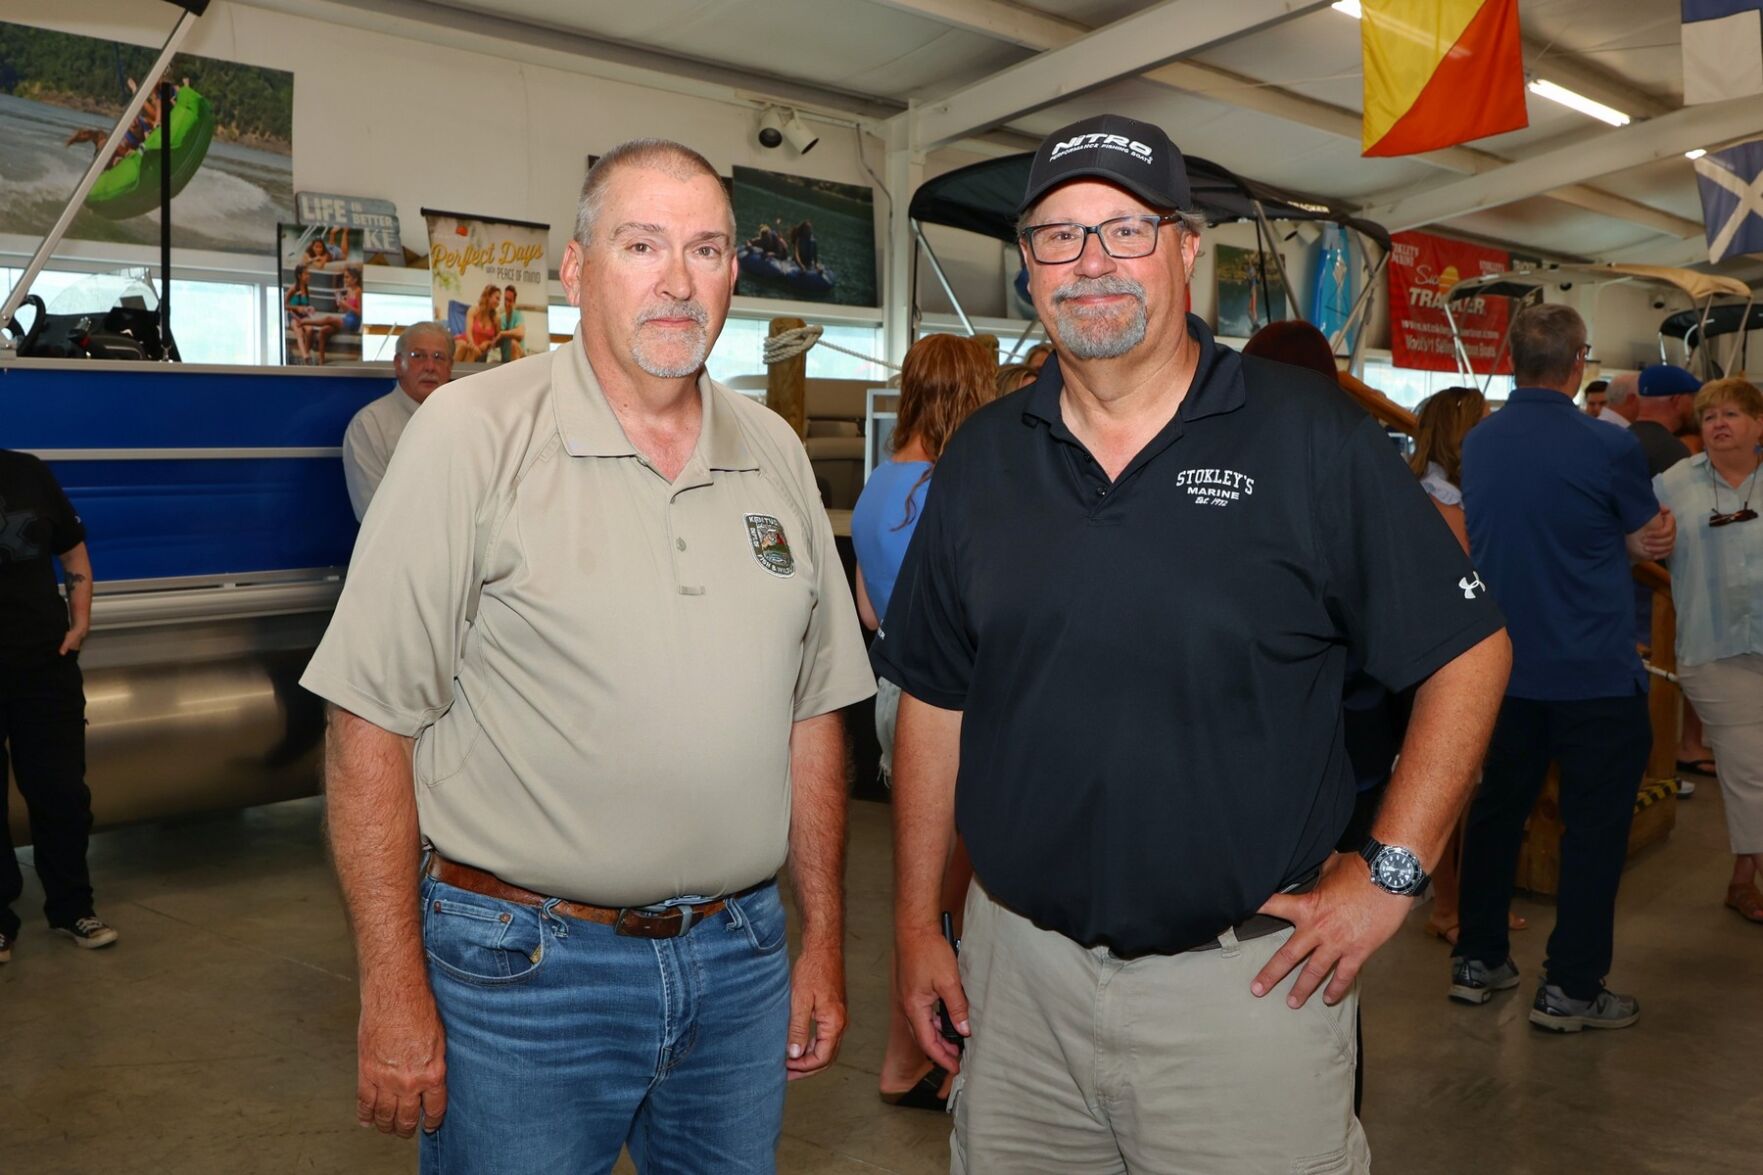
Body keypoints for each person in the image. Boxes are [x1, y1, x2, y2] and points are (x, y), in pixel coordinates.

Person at [881, 113, 1511, 1174]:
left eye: (1124, 230)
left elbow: (1467, 647)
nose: (1091, 263)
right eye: (1058, 235)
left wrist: (1391, 871)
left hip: (1243, 993)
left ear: (1183, 252)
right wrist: (913, 923)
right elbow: (936, 700)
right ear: (1026, 267)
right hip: (1017, 979)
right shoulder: (985, 455)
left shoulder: (1305, 435)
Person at [300, 138, 874, 1173]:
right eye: (640, 243)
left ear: (734, 275)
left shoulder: (772, 452)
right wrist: (391, 989)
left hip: (739, 958)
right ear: (575, 269)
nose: (675, 278)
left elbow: (813, 710)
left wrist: (820, 936)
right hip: (523, 973)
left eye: (704, 249)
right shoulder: (472, 433)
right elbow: (366, 723)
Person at [1455, 303, 1676, 1032]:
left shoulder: (1480, 443)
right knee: (1592, 831)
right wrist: (1648, 540)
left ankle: (1478, 957)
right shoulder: (1606, 448)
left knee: (1495, 816)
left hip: (1503, 668)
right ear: (1578, 361)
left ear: (1510, 354)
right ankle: (1571, 987)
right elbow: (1646, 538)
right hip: (1591, 670)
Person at [850, 333, 993, 1113]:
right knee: (957, 899)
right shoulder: (949, 488)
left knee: (926, 896)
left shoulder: (880, 485)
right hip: (952, 709)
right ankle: (926, 1056)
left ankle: (904, 1059)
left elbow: (872, 610)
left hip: (892, 700)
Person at [1405, 387, 1528, 946]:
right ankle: (1452, 907)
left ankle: (1463, 904)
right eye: (1484, 420)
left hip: (1437, 657)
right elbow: (1465, 585)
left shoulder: (1434, 492)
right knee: (1455, 787)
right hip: (1446, 661)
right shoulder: (1439, 500)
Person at [1652, 378, 1763, 923]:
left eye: (1734, 414)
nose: (1720, 423)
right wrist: (1642, 541)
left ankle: (1743, 879)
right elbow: (1632, 532)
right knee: (1748, 768)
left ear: (1758, 425)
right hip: (1713, 648)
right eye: (1711, 415)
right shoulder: (1674, 482)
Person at [1, 450, 116, 964]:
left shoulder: (28, 471)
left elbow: (72, 553)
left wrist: (80, 620)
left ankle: (73, 907)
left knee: (63, 792)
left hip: (44, 664)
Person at [341, 320, 454, 520]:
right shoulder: (369, 426)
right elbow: (374, 515)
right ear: (398, 364)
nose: (430, 366)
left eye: (439, 357)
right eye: (418, 356)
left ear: (449, 368)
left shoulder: (465, 424)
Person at [451, 283, 502, 363]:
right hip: (466, 341)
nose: (498, 302)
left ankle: (463, 375)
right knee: (463, 346)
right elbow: (468, 332)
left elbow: (498, 340)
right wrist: (473, 345)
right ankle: (449, 373)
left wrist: (488, 342)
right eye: (497, 298)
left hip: (479, 349)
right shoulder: (473, 310)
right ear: (488, 296)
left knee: (472, 352)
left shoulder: (496, 319)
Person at [284, 264, 315, 364]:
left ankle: (305, 353)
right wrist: (296, 307)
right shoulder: (293, 289)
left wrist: (309, 308)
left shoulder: (306, 289)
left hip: (304, 316)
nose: (308, 276)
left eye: (309, 274)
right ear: (299, 275)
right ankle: (305, 356)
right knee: (299, 332)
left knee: (310, 330)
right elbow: (285, 305)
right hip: (293, 315)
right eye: (306, 274)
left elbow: (306, 305)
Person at [495, 285, 526, 363]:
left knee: (514, 344)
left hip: (519, 359)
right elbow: (495, 342)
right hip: (505, 361)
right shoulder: (501, 319)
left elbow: (521, 333)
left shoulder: (518, 315)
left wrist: (502, 334)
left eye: (509, 300)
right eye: (505, 299)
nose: (506, 303)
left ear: (514, 302)